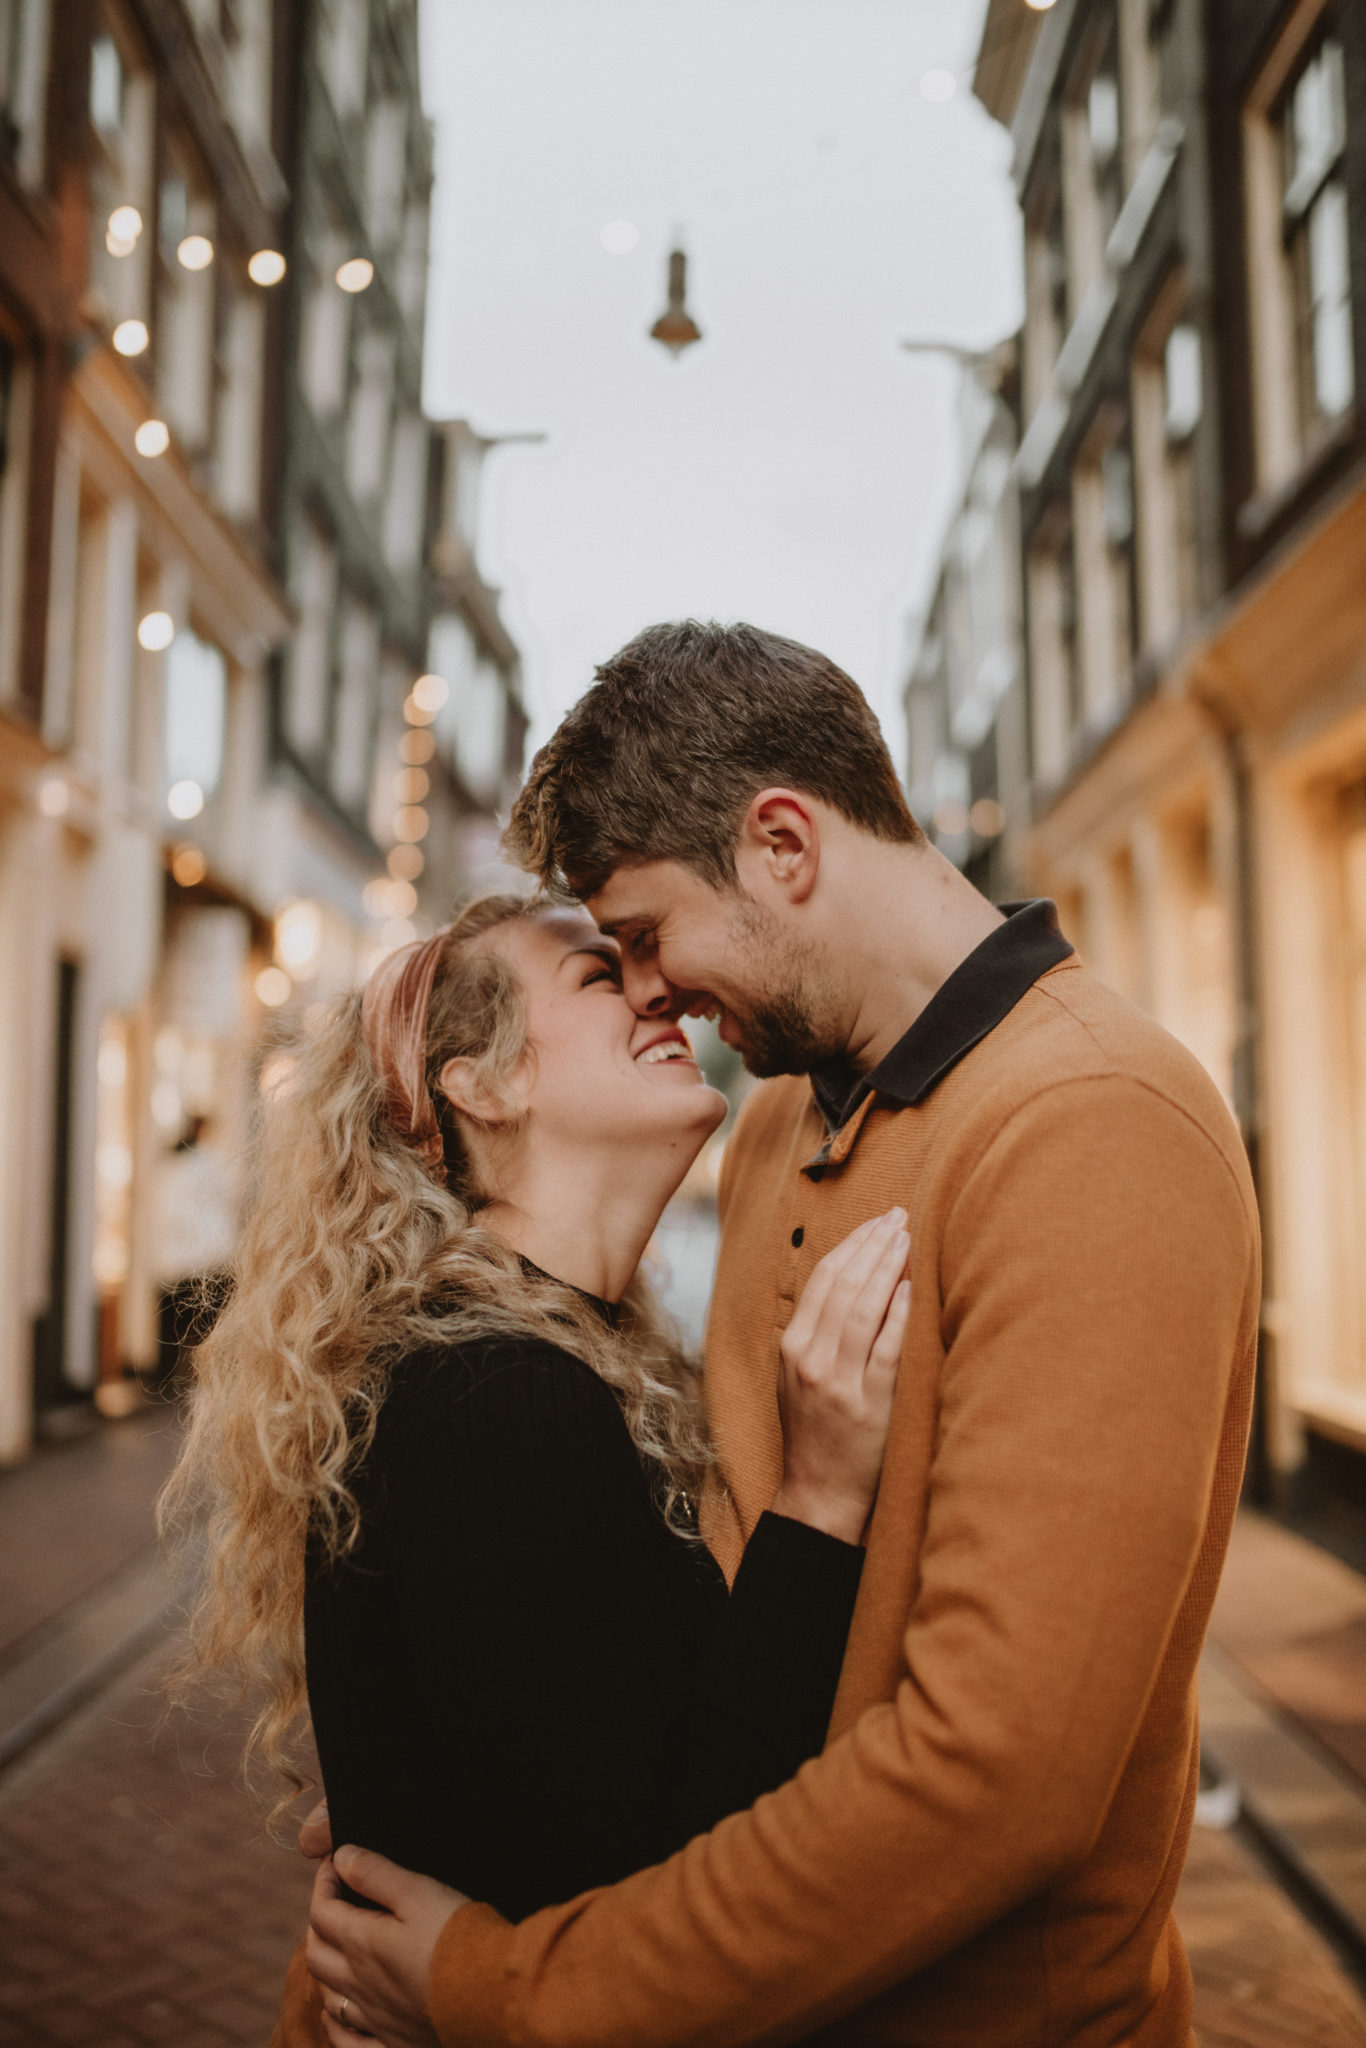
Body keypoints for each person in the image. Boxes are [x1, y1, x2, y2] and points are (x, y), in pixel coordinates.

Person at [304, 621, 1261, 2048]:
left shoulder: (1094, 1122)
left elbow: (994, 1780)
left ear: (782, 846)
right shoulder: (769, 1126)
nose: (651, 994)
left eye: (641, 936)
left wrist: (504, 1987)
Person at [157, 891, 911, 2042]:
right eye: (598, 976)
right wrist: (820, 1498)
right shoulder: (493, 1395)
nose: (655, 991)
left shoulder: (559, 1361)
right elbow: (654, 1880)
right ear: (485, 1083)